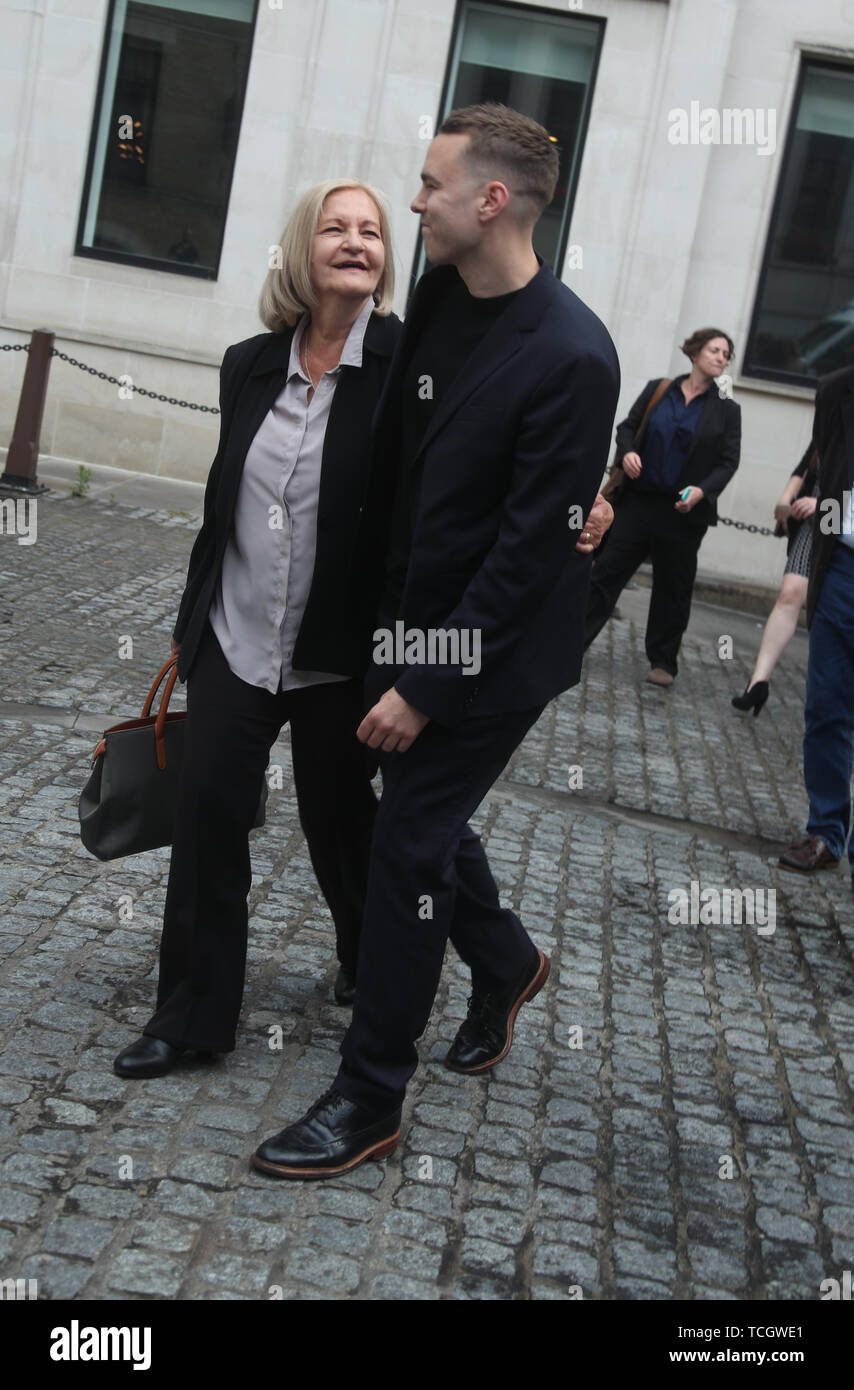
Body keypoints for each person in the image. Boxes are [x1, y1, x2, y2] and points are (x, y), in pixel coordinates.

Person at [251, 103, 621, 1180]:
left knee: (410, 836)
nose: (413, 201)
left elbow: (522, 559)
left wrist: (421, 682)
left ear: (488, 200)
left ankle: (369, 1095)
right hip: (407, 616)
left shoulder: (573, 354)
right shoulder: (441, 298)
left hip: (493, 652)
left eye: (428, 183)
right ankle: (504, 960)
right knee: (409, 802)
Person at [113, 180, 402, 1079]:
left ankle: (368, 961)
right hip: (236, 637)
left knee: (340, 818)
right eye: (335, 227)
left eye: (372, 230)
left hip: (338, 652)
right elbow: (221, 503)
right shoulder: (248, 362)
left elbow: (466, 470)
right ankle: (191, 1017)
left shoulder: (405, 364)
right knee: (207, 818)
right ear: (300, 248)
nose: (355, 241)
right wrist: (188, 626)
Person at [584, 330, 741, 686]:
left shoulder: (727, 410)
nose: (721, 358)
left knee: (673, 587)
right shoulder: (660, 389)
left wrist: (702, 491)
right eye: (714, 350)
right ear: (695, 353)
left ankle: (663, 662)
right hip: (638, 504)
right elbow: (626, 428)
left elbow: (729, 462)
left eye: (726, 354)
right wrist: (628, 453)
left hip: (682, 514)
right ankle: (570, 642)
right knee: (605, 574)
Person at [779, 365, 854, 880]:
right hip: (844, 569)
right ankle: (827, 830)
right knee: (826, 709)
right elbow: (830, 481)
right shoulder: (837, 392)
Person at [732, 445, 818, 716]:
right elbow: (806, 465)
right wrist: (786, 498)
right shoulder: (834, 409)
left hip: (839, 520)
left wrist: (825, 504)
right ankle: (758, 682)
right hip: (817, 521)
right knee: (790, 592)